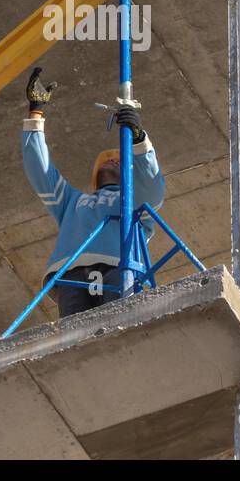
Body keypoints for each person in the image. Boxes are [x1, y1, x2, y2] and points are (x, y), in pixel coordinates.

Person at [20, 66, 165, 316]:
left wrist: (140, 140)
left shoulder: (132, 200)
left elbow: (152, 185)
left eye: (118, 161)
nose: (111, 161)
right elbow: (40, 172)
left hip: (119, 268)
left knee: (120, 325)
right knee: (75, 338)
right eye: (106, 160)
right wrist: (35, 114)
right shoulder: (73, 202)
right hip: (70, 274)